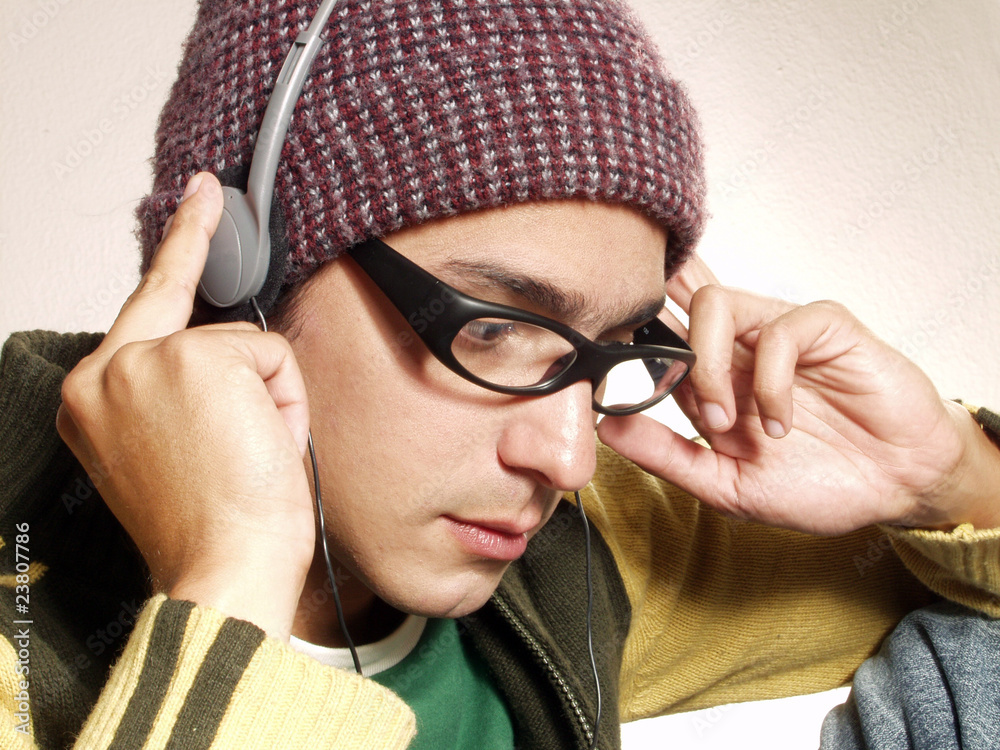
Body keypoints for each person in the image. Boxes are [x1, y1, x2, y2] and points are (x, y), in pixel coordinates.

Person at [2, 0, 998, 748]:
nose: (565, 459)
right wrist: (229, 575)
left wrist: (948, 477)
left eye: (615, 347)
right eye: (491, 329)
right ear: (242, 276)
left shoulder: (577, 559)